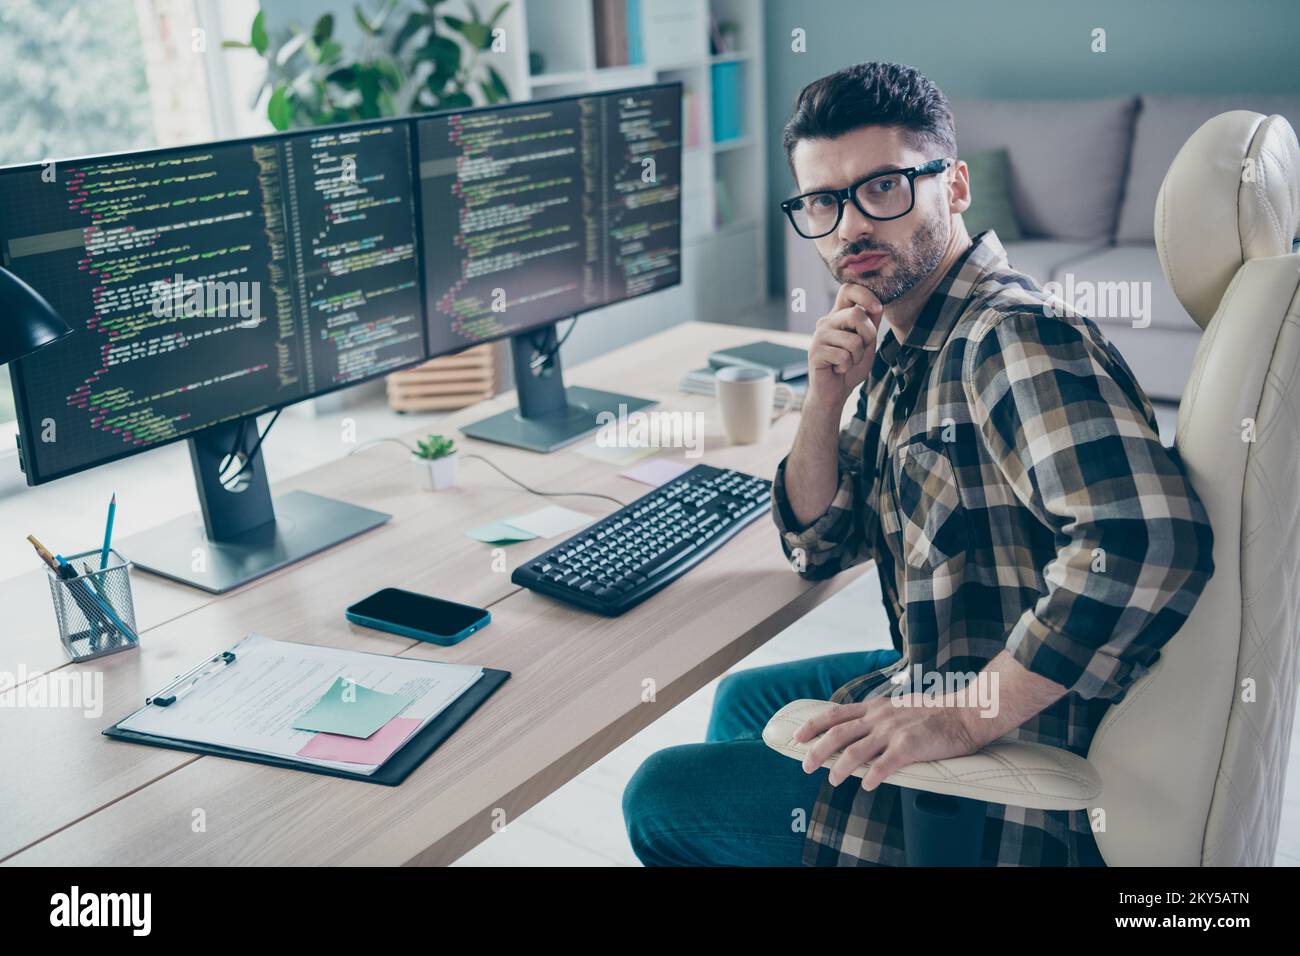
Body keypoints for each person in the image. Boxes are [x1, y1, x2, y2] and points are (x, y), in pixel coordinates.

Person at [622, 61, 1213, 866]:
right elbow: (819, 545)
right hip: (948, 661)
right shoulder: (909, 342)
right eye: (824, 203)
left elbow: (1148, 543)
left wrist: (961, 718)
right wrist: (826, 397)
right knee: (743, 697)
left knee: (659, 795)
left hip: (1033, 739)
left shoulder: (1008, 338)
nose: (850, 228)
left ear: (956, 186)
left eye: (884, 188)